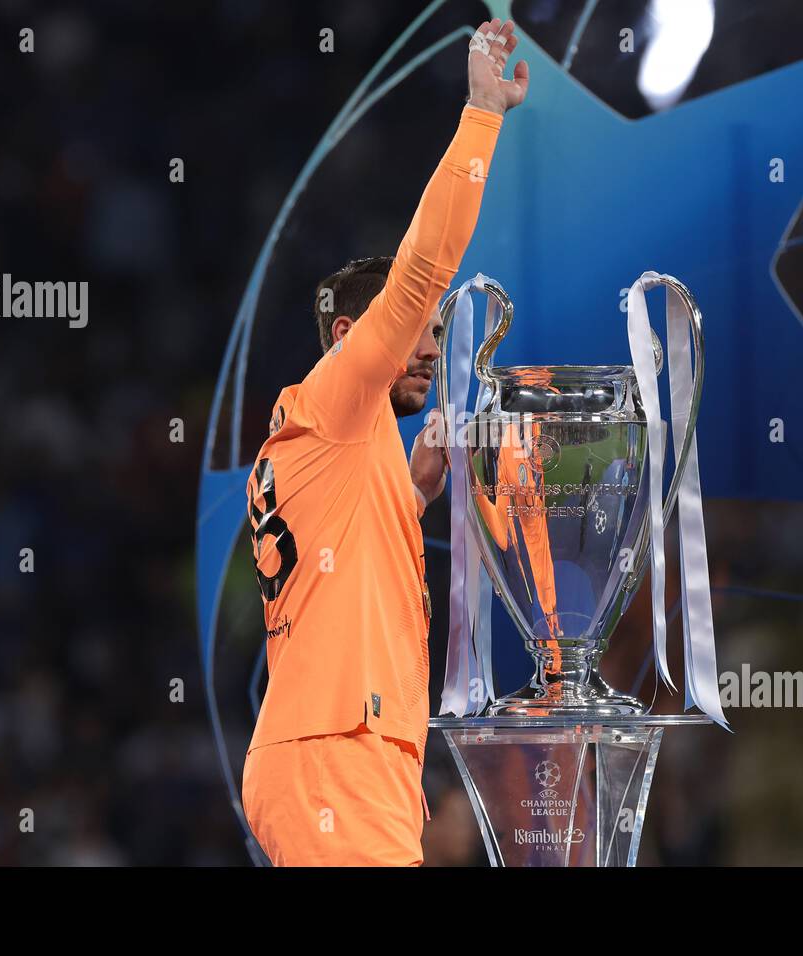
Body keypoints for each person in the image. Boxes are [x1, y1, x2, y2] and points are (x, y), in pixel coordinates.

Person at [240, 17, 529, 866]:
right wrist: (482, 116)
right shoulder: (333, 396)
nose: (433, 347)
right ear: (344, 335)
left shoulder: (324, 436)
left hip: (346, 750)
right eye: (416, 329)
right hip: (336, 750)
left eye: (439, 332)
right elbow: (422, 266)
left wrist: (414, 493)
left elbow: (338, 549)